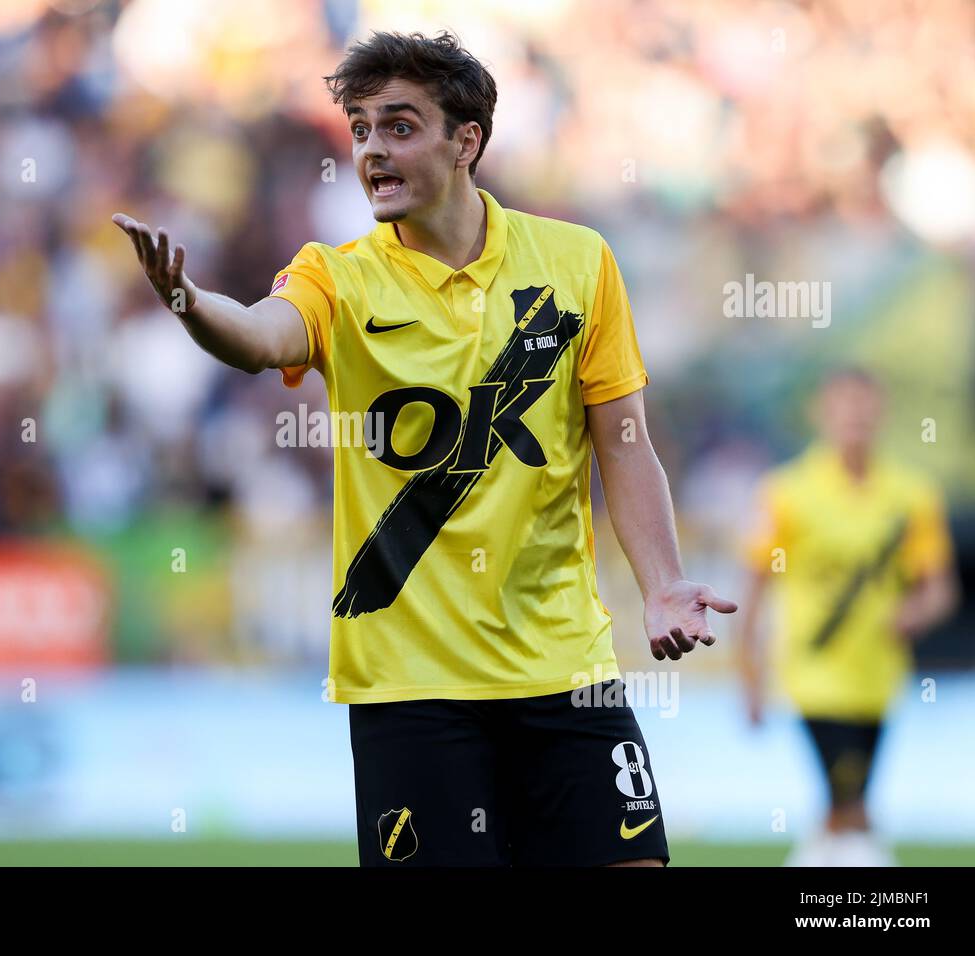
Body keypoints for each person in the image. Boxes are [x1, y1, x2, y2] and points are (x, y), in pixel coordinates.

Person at [113, 30, 736, 866]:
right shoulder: (338, 277)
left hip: (565, 667)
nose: (372, 150)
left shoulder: (578, 264)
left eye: (399, 126)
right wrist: (190, 302)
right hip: (413, 686)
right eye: (362, 129)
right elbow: (262, 338)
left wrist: (662, 587)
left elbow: (624, 445)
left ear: (465, 140)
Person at [737, 367, 959, 866]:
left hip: (879, 678)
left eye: (865, 405)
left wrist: (915, 611)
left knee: (841, 809)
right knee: (854, 809)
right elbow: (752, 588)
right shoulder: (787, 492)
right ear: (821, 413)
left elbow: (940, 588)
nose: (855, 416)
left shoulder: (910, 494)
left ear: (881, 412)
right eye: (844, 405)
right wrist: (748, 675)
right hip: (813, 676)